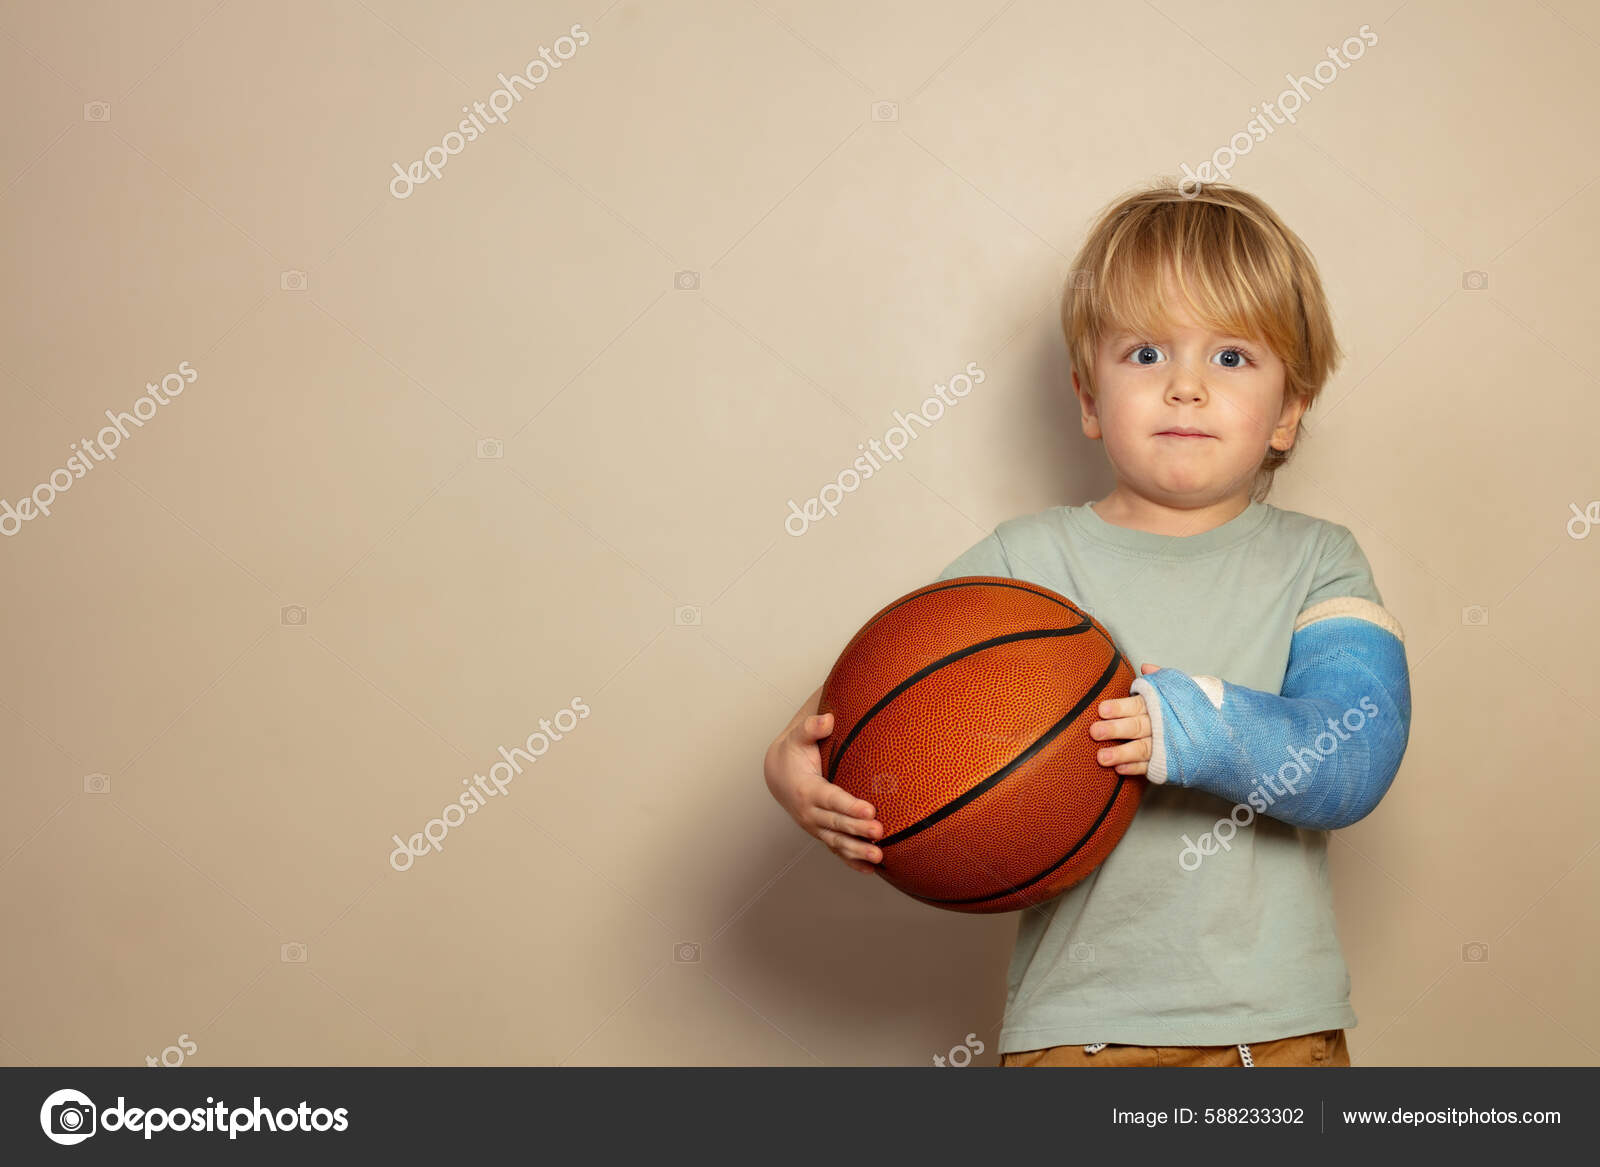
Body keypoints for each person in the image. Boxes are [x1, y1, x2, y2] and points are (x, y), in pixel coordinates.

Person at [763, 180, 1412, 1068]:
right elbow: (878, 702)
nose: (1186, 388)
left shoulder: (1320, 561)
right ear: (1088, 399)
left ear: (1290, 411)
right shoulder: (1023, 565)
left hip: (1277, 1032)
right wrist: (797, 767)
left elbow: (1353, 755)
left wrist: (1183, 725)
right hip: (1079, 1038)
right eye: (1146, 353)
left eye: (1232, 358)